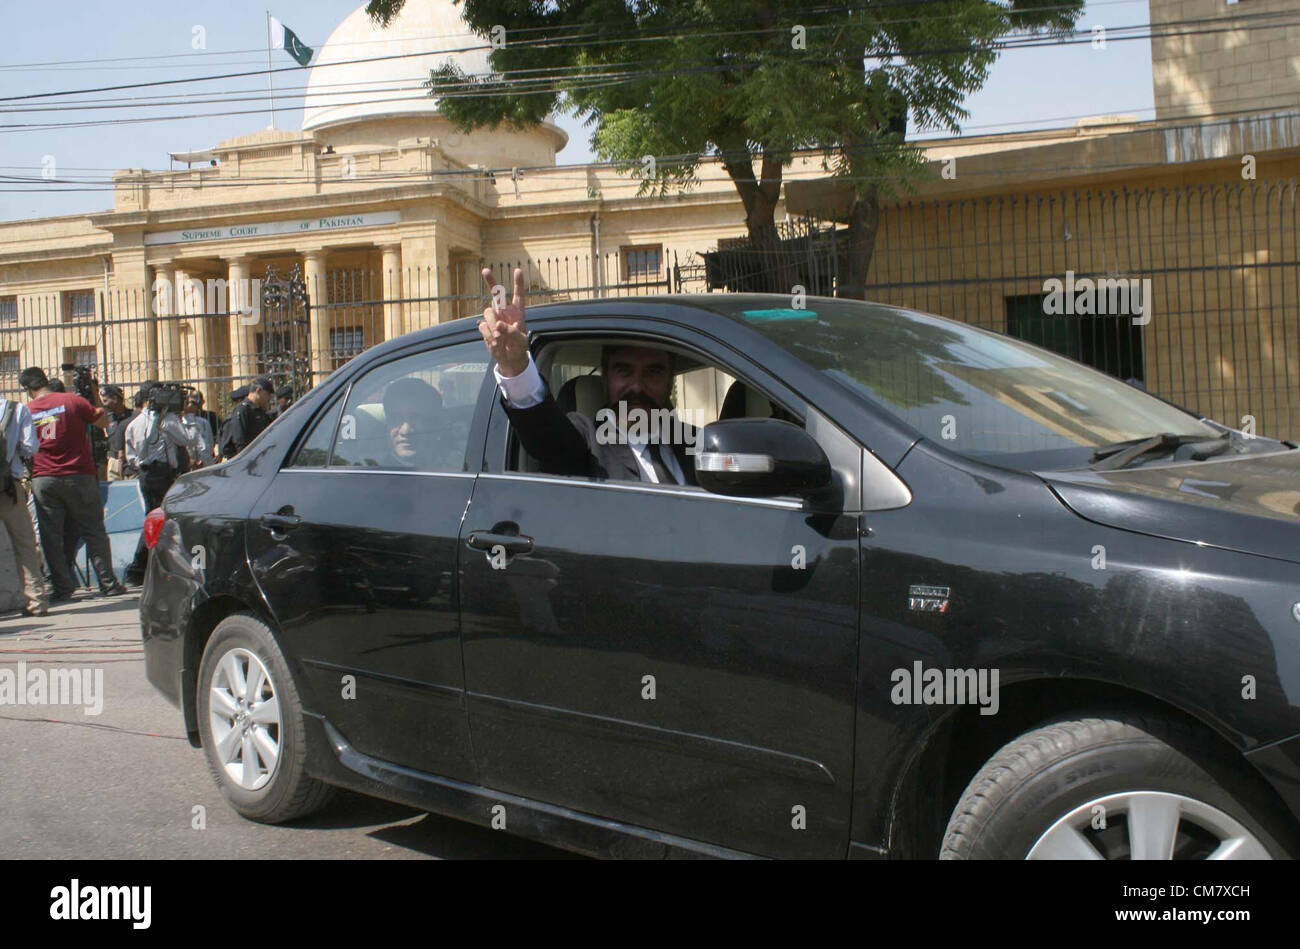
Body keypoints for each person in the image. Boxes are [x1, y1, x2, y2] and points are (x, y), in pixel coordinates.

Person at [479, 267, 697, 485]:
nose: (637, 386)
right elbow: (548, 439)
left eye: (653, 372)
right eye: (624, 371)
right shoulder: (586, 440)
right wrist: (517, 367)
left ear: (670, 381)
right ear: (605, 379)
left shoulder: (697, 444)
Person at [20, 366, 126, 602]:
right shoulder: (72, 401)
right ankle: (108, 583)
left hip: (44, 478)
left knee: (51, 536)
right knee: (93, 531)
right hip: (79, 474)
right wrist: (95, 395)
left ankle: (61, 587)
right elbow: (104, 423)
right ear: (46, 381)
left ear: (28, 389)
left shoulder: (26, 411)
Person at [124, 386, 198, 585]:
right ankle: (144, 567)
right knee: (166, 520)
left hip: (146, 475)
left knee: (153, 518)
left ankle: (140, 569)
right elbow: (187, 439)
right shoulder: (169, 420)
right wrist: (188, 418)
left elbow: (131, 457)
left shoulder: (135, 423)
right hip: (164, 475)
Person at [0, 392, 49, 616]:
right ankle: (36, 601)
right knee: (25, 544)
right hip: (9, 486)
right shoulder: (17, 409)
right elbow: (31, 447)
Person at [379, 378, 447, 470]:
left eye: (416, 418)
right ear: (386, 425)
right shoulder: (375, 477)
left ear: (434, 424)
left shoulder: (459, 465)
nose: (405, 431)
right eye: (396, 419)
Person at [220, 377, 274, 458]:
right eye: (267, 394)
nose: (269, 398)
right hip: (248, 459)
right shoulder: (243, 410)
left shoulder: (259, 410)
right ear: (258, 390)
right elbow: (239, 440)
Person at [102, 384, 134, 481]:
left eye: (105, 400)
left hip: (129, 461)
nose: (104, 404)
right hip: (114, 461)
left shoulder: (132, 416)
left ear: (115, 399)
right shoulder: (106, 418)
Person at [179, 393, 216, 467]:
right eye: (188, 403)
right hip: (188, 463)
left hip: (205, 462)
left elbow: (209, 442)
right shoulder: (179, 422)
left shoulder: (203, 422)